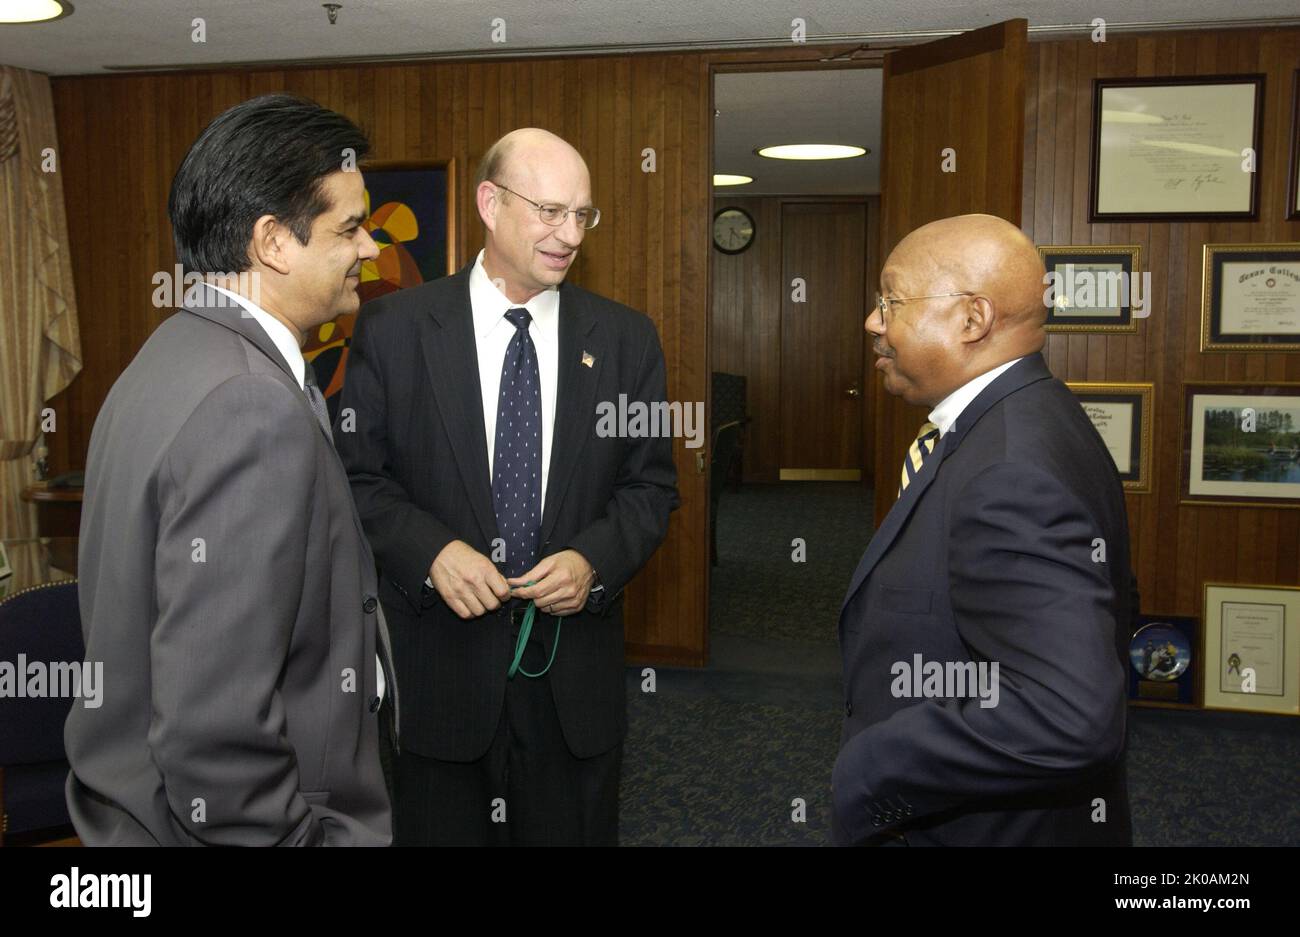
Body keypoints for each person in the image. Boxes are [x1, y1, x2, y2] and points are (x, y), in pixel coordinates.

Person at [65, 94, 396, 846]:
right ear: (274, 242)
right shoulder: (249, 403)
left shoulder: (167, 356)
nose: (372, 247)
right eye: (351, 226)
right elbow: (214, 731)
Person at [335, 128, 679, 845]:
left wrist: (593, 563)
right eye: (550, 210)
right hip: (440, 679)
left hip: (573, 684)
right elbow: (358, 478)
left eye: (583, 215)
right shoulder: (394, 329)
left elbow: (650, 488)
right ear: (490, 203)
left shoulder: (627, 340)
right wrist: (430, 553)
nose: (569, 233)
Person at [833, 213, 1134, 846]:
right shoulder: (1034, 410)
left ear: (973, 319)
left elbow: (1069, 714)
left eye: (890, 300)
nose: (872, 322)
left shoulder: (1009, 468)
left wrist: (875, 765)